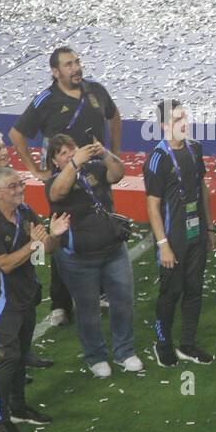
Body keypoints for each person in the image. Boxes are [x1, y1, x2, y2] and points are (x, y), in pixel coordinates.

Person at [10, 47, 121, 329]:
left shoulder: (96, 90)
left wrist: (114, 153)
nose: (76, 68)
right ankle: (60, 304)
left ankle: (102, 291)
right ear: (55, 72)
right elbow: (16, 134)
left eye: (77, 62)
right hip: (64, 182)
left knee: (103, 225)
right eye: (69, 65)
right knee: (63, 236)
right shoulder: (46, 100)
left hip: (97, 178)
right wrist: (36, 170)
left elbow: (114, 115)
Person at [44, 133, 142, 377]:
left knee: (123, 302)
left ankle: (124, 351)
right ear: (55, 162)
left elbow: (118, 174)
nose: (69, 155)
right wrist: (75, 163)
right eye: (63, 154)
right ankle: (95, 356)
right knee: (88, 310)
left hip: (114, 252)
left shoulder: (96, 169)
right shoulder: (53, 181)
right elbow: (58, 193)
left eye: (72, 150)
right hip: (78, 260)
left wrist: (105, 153)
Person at [0, 167, 69, 432]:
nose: (20, 189)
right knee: (7, 359)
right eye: (13, 186)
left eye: (20, 183)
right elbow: (6, 264)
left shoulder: (25, 212)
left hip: (26, 297)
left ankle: (18, 408)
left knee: (21, 355)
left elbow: (48, 248)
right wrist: (33, 245)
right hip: (2, 303)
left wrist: (53, 235)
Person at [144, 100, 215, 368]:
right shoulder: (157, 159)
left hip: (196, 235)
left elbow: (201, 188)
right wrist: (163, 244)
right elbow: (152, 205)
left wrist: (208, 227)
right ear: (163, 126)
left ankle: (187, 343)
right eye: (176, 120)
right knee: (170, 293)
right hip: (172, 239)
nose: (184, 123)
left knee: (194, 290)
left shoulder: (194, 149)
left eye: (184, 116)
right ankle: (162, 343)